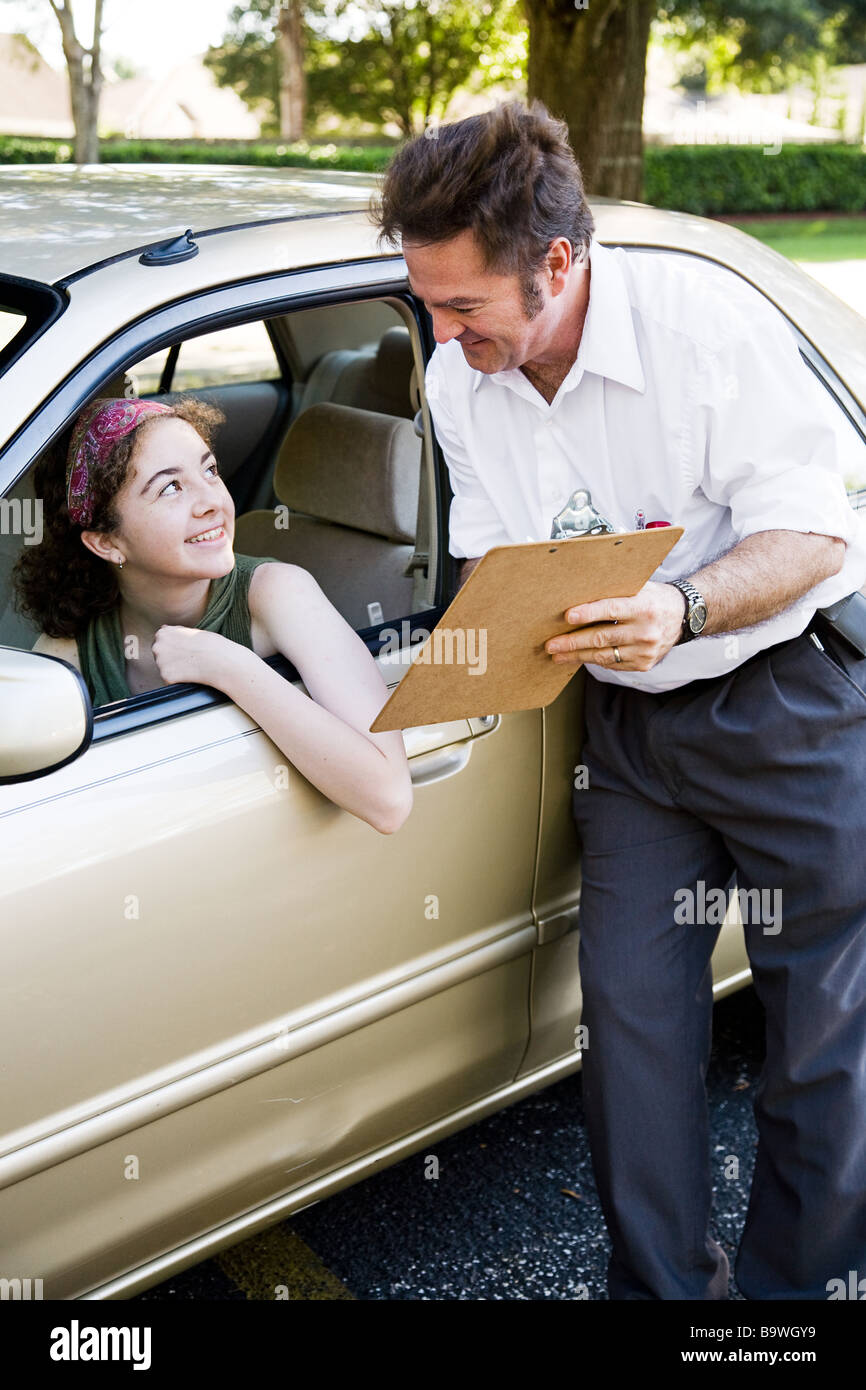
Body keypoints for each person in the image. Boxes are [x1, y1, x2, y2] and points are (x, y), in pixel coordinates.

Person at [370, 98, 866, 1298]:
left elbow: (811, 531)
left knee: (822, 1051)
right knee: (631, 1045)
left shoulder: (703, 330)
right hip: (632, 737)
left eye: (461, 305)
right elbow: (498, 562)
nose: (438, 332)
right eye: (427, 300)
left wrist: (683, 607)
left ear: (556, 259)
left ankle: (778, 1304)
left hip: (789, 700)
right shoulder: (457, 376)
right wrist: (424, 673)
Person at [13, 394, 412, 836]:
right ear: (107, 543)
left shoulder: (277, 592)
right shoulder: (69, 650)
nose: (213, 502)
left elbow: (388, 798)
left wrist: (231, 668)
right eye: (170, 487)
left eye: (210, 471)